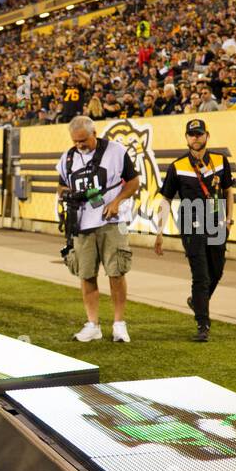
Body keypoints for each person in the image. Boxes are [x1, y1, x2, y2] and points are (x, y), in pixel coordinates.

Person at [56, 115, 140, 343]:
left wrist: (116, 202)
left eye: (83, 140)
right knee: (86, 275)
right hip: (82, 224)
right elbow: (61, 185)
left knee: (116, 272)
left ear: (95, 133)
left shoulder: (116, 151)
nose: (80, 145)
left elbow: (133, 182)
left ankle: (119, 324)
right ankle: (92, 324)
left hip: (113, 222)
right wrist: (68, 195)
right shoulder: (68, 158)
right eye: (76, 141)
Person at [154, 118, 234, 342]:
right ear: (186, 138)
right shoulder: (177, 166)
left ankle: (197, 301)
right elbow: (166, 200)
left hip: (216, 221)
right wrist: (159, 231)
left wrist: (229, 220)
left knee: (216, 272)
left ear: (207, 135)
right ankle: (203, 323)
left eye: (199, 134)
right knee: (201, 274)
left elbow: (228, 191)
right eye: (192, 134)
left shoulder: (220, 161)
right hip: (190, 222)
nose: (196, 138)